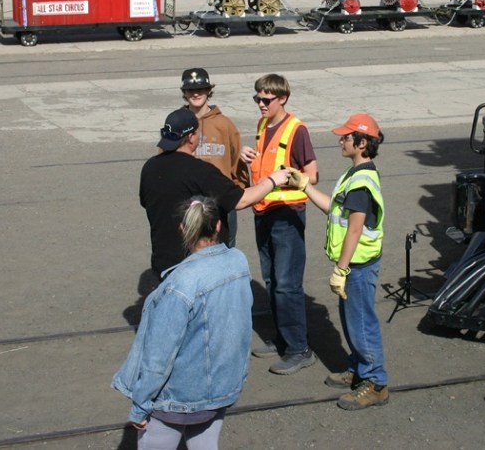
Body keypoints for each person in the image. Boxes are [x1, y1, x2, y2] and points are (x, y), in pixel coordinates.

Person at [113, 197, 251, 450]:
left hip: (177, 396)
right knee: (205, 444)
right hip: (221, 387)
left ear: (182, 229)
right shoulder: (238, 262)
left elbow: (159, 356)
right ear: (218, 225)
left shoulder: (180, 283)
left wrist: (140, 405)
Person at [292, 112, 389, 410]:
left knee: (361, 323)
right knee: (352, 321)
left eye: (346, 137)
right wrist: (306, 186)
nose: (341, 141)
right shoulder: (354, 174)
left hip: (357, 265)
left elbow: (355, 230)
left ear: (362, 143)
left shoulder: (360, 183)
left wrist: (342, 268)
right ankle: (359, 368)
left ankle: (375, 383)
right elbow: (334, 210)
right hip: (353, 264)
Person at [139, 107, 292, 291]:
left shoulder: (149, 167)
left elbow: (146, 202)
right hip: (197, 268)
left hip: (163, 266)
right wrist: (273, 180)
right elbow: (241, 200)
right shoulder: (199, 170)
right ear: (191, 137)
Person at [240, 73, 319, 375]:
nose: (261, 104)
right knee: (272, 280)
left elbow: (313, 174)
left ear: (282, 98)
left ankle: (300, 349)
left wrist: (292, 179)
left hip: (287, 215)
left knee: (287, 284)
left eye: (266, 99)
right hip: (263, 211)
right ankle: (283, 338)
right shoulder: (263, 125)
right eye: (257, 98)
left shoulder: (297, 130)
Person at [179, 67, 250, 247]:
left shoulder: (224, 124)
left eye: (201, 89)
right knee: (189, 251)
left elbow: (236, 162)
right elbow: (166, 162)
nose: (196, 94)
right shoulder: (178, 122)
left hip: (221, 202)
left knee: (225, 249)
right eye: (191, 90)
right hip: (188, 204)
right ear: (184, 92)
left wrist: (237, 193)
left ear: (208, 90)